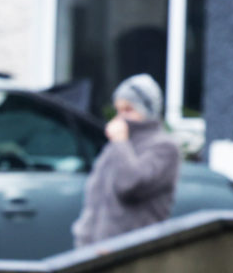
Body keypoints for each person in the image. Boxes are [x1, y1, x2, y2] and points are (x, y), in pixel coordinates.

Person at [72, 74, 181, 247]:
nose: (121, 118)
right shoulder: (116, 145)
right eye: (118, 110)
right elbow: (95, 198)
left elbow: (129, 185)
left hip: (132, 256)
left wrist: (121, 142)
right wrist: (83, 236)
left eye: (129, 110)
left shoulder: (164, 147)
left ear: (148, 110)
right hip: (96, 252)